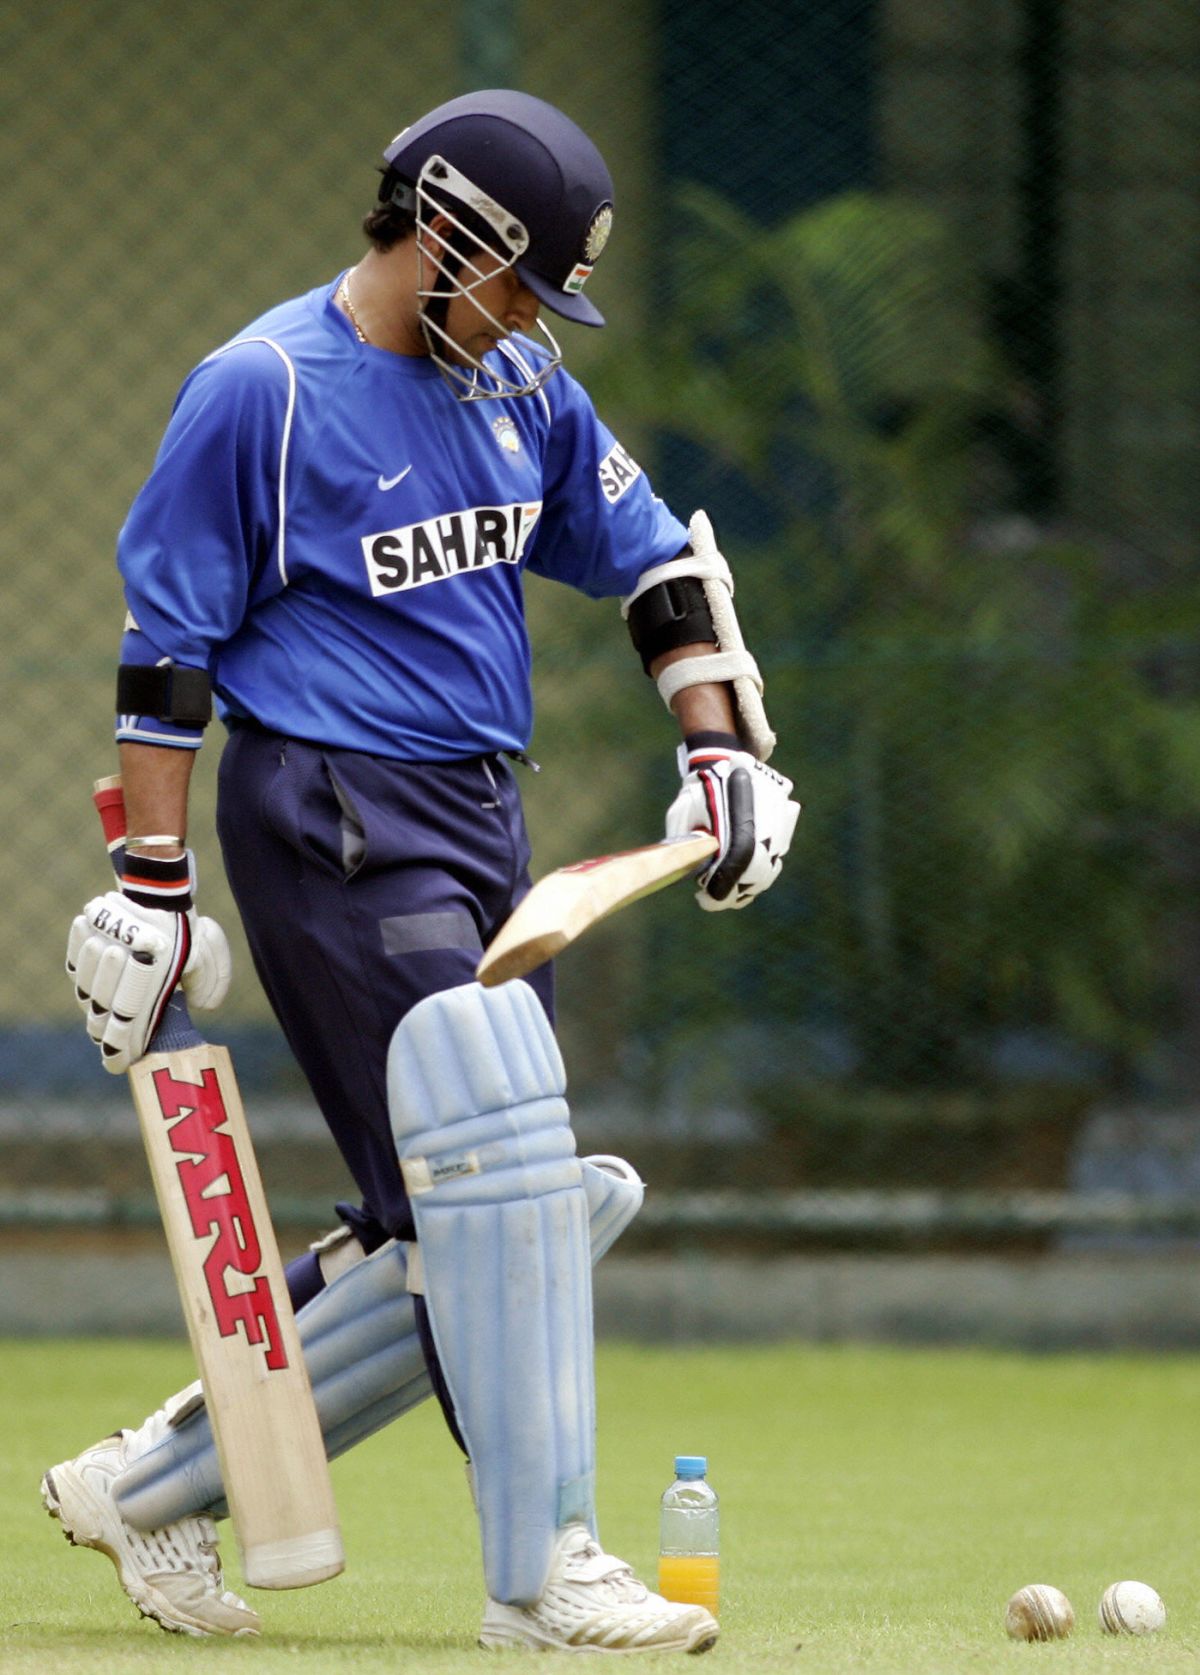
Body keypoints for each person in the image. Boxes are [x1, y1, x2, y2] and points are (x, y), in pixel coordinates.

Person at [47, 89, 799, 1653]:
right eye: (523, 278)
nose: (536, 319)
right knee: (503, 1175)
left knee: (446, 1220)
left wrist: (722, 754)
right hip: (327, 811)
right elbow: (164, 661)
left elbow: (656, 562)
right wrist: (153, 890)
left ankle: (156, 1483)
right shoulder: (262, 392)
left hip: (476, 818)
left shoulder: (517, 380)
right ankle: (546, 1572)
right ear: (443, 231)